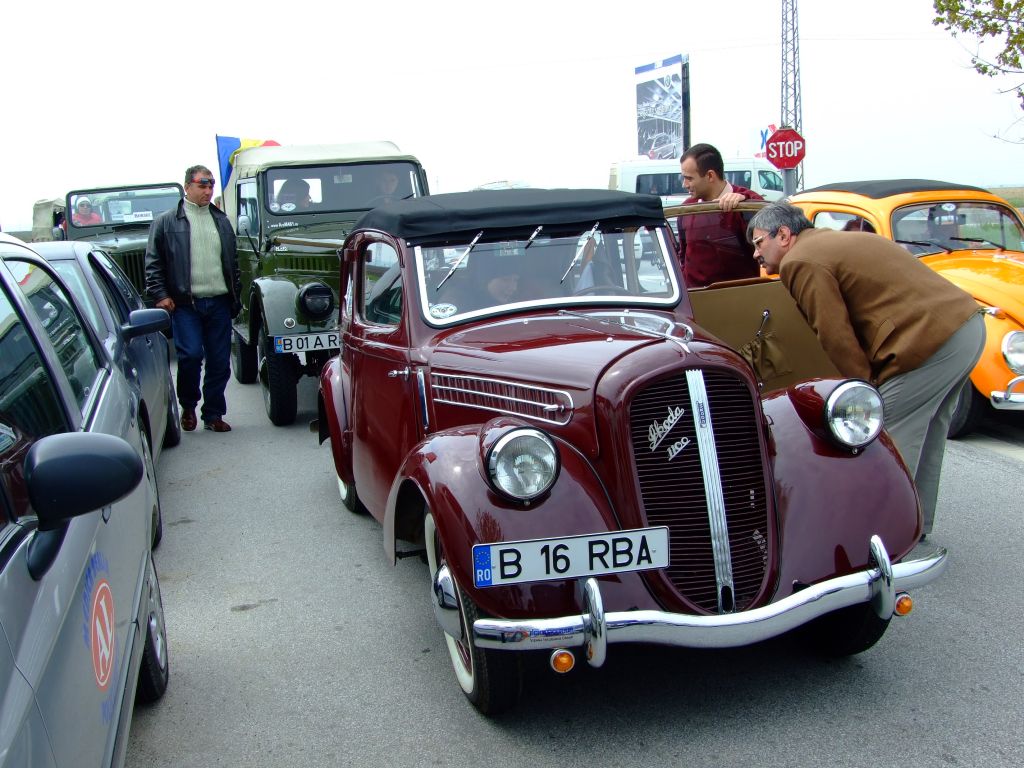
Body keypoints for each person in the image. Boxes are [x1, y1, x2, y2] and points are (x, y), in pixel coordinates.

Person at [748, 202, 985, 537]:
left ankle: (885, 539)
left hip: (929, 340)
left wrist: (865, 389)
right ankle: (917, 529)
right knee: (930, 432)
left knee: (880, 438)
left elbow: (833, 333)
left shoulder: (800, 261)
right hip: (965, 328)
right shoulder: (831, 242)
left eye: (759, 243)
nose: (756, 254)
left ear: (784, 235)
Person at [145, 165, 240, 433]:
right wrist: (161, 295)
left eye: (211, 186)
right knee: (189, 356)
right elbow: (153, 263)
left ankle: (213, 413)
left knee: (220, 361)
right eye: (202, 185)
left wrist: (236, 294)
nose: (208, 191)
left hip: (219, 302)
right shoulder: (165, 222)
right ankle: (187, 405)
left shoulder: (221, 221)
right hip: (185, 304)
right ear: (187, 186)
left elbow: (233, 262)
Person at [676, 143, 764, 287]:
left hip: (738, 297)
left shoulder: (746, 203)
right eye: (683, 178)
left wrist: (745, 202)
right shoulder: (686, 209)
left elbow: (768, 236)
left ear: (710, 175)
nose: (684, 184)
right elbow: (683, 255)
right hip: (695, 299)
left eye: (689, 178)